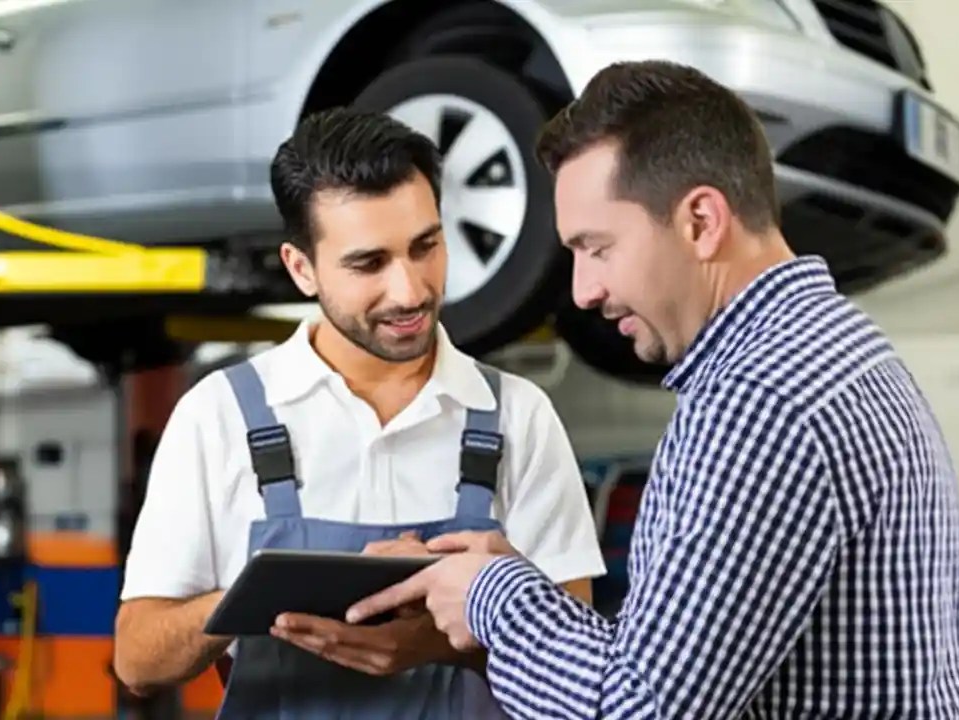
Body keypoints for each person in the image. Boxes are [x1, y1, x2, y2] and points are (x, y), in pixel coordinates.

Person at [348, 60, 959, 718]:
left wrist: (492, 595)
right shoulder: (841, 350)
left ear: (701, 221)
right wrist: (514, 594)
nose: (584, 291)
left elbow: (641, 709)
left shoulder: (758, 399)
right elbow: (670, 669)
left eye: (598, 247)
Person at [111, 106, 607, 718]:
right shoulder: (218, 419)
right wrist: (265, 592)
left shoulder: (516, 418)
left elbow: (578, 647)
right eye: (368, 264)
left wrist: (435, 644)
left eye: (426, 246)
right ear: (302, 269)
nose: (409, 290)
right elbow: (138, 660)